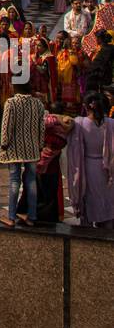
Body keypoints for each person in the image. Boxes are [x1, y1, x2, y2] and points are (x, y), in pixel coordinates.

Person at [0, 86, 46, 228]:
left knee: (14, 180)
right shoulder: (38, 104)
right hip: (32, 148)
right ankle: (31, 216)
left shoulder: (11, 103)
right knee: (31, 181)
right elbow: (41, 126)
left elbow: (6, 126)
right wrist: (40, 145)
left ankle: (11, 217)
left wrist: (4, 144)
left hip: (14, 149)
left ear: (15, 87)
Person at [66, 93, 114, 228]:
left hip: (86, 168)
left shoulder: (79, 123)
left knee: (88, 201)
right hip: (108, 169)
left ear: (86, 107)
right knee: (107, 202)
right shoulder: (111, 123)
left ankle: (86, 238)